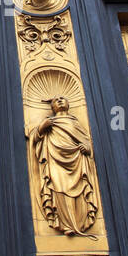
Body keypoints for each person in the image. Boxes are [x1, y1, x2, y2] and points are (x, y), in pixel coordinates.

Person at [28, 97, 98, 237]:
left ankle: (79, 223)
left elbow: (87, 141)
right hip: (55, 160)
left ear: (68, 104)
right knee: (58, 190)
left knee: (79, 191)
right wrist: (42, 127)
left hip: (76, 161)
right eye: (56, 100)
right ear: (52, 106)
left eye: (62, 99)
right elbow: (33, 137)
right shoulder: (49, 122)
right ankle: (64, 223)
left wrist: (87, 148)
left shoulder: (75, 122)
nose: (59, 100)